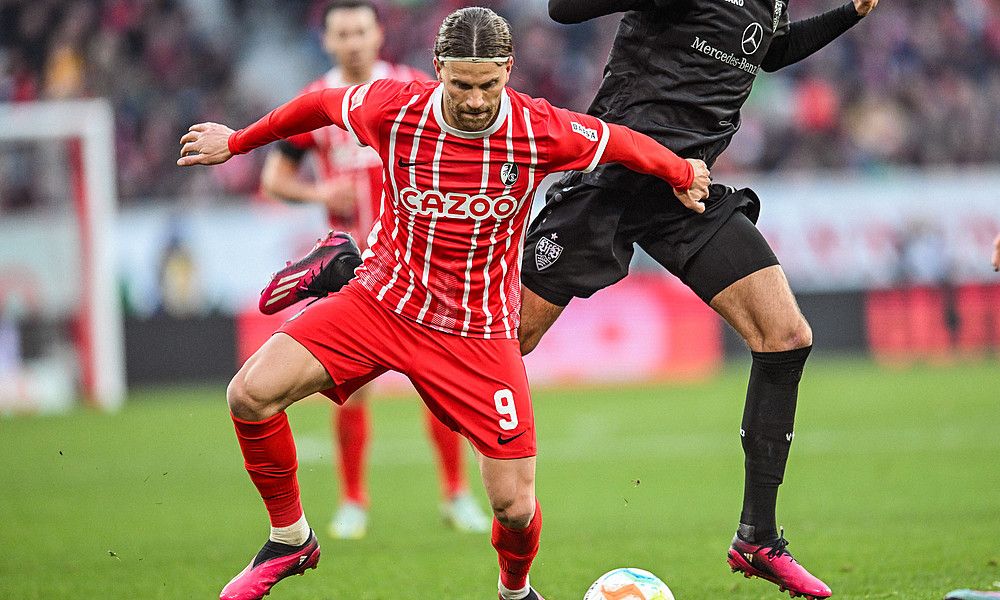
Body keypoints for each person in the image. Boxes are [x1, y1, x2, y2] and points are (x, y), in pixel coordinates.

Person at [263, 2, 878, 598]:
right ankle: (351, 274)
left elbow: (769, 50)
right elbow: (564, 10)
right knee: (495, 339)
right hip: (607, 185)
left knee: (786, 337)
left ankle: (758, 539)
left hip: (684, 190)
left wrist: (849, 13)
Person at [177, 7, 711, 600]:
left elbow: (616, 141)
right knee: (249, 395)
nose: (477, 100)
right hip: (383, 301)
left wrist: (680, 169)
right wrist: (238, 140)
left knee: (513, 506)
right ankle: (290, 538)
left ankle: (514, 592)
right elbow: (317, 107)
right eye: (462, 85)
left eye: (489, 84)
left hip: (477, 332)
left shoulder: (538, 128)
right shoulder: (395, 108)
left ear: (508, 70)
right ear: (439, 70)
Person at [257, 0, 489, 539]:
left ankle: (456, 495)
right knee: (350, 387)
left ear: (378, 33)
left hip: (418, 262)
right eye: (343, 33)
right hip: (353, 270)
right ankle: (354, 501)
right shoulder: (320, 104)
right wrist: (318, 190)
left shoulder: (413, 88)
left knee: (436, 381)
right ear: (328, 41)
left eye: (362, 30)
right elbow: (274, 179)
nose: (354, 41)